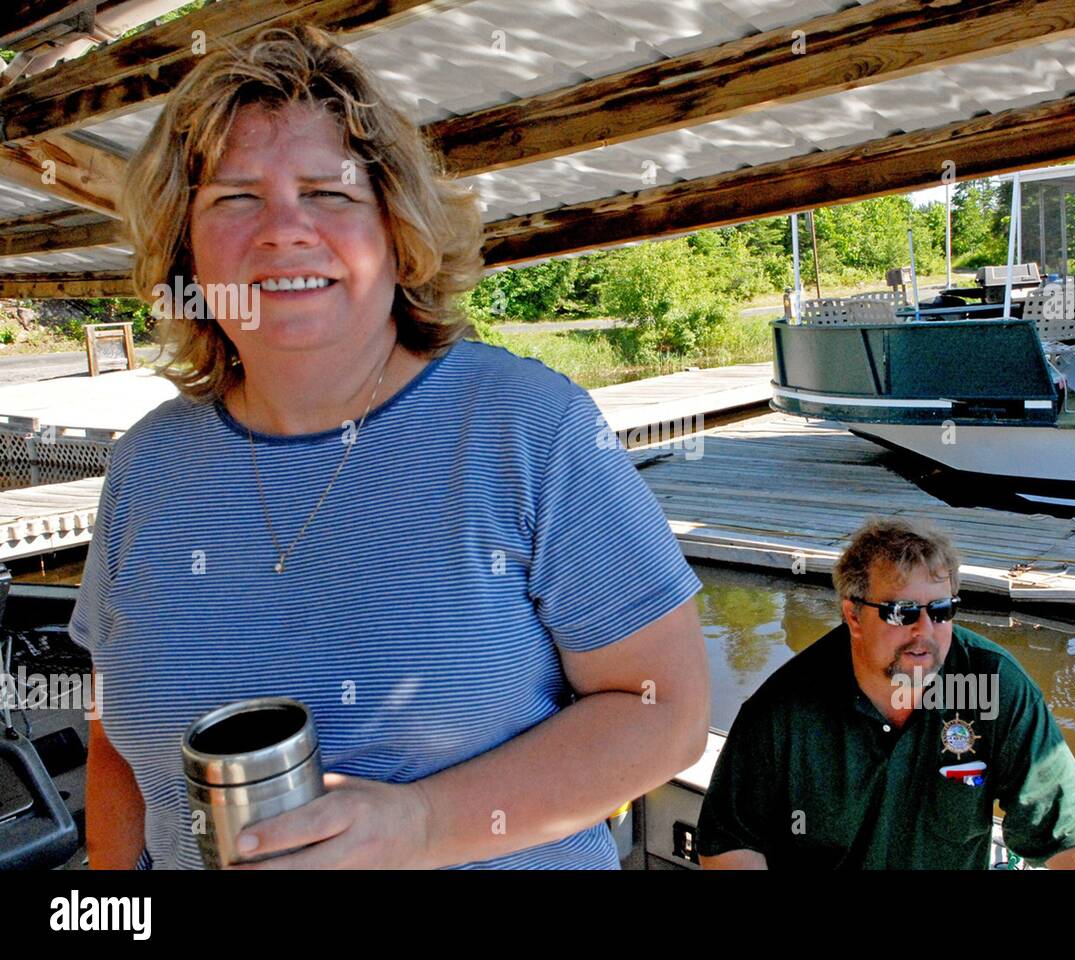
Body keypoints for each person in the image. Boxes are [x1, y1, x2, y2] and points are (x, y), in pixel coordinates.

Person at [71, 25, 708, 869]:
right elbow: (117, 743)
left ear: (396, 231)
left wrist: (420, 824)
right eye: (233, 197)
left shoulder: (527, 427)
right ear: (185, 249)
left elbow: (665, 710)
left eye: (328, 193)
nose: (283, 229)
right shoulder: (146, 465)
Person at [697, 517, 1075, 869]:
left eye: (941, 610)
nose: (924, 632)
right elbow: (730, 843)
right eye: (903, 613)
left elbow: (1066, 840)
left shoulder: (995, 686)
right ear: (853, 616)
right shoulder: (783, 708)